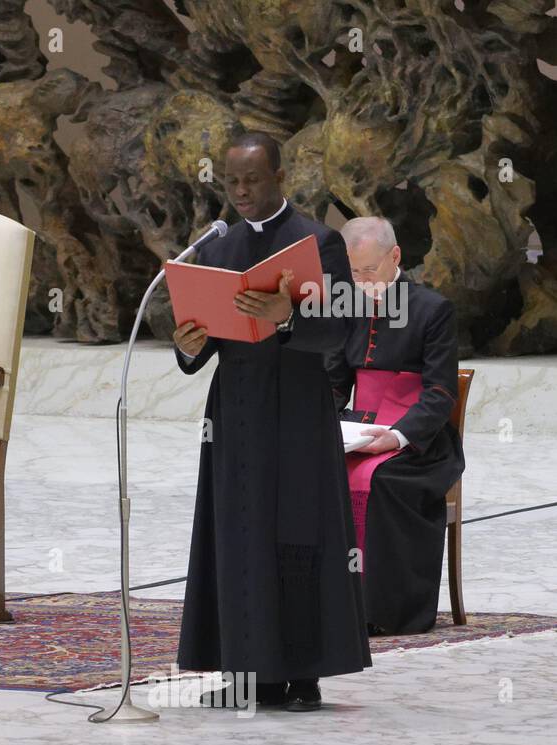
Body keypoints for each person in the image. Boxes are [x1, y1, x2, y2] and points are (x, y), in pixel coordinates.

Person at [171, 131, 369, 712]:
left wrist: (288, 318)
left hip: (299, 413)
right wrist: (188, 343)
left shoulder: (318, 240)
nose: (240, 193)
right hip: (234, 416)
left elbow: (341, 331)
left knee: (296, 536)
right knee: (236, 538)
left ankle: (302, 674)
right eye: (231, 182)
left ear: (280, 176)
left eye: (251, 181)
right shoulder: (217, 246)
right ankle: (244, 674)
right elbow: (199, 350)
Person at [327, 216, 464, 635]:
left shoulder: (433, 309)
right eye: (353, 272)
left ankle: (381, 611)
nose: (362, 281)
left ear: (396, 256)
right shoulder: (344, 305)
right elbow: (335, 382)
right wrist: (323, 425)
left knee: (383, 480)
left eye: (369, 270)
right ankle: (324, 602)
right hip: (359, 429)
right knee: (308, 468)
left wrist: (398, 435)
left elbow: (441, 392)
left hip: (420, 441)